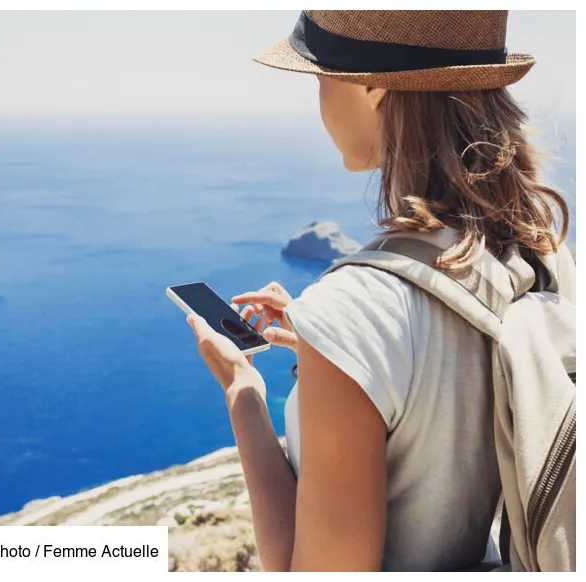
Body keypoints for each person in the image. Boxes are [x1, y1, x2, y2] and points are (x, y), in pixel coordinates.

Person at [184, 10, 572, 572]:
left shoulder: (354, 312)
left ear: (373, 88)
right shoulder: (538, 251)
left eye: (319, 79)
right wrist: (330, 351)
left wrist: (242, 390)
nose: (317, 101)